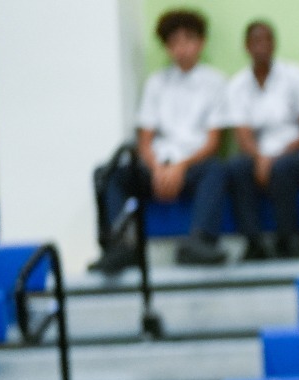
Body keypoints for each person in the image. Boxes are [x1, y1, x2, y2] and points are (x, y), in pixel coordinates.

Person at [92, 8, 230, 272]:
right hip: (157, 165)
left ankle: (200, 242)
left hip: (192, 165)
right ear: (167, 48)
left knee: (215, 169)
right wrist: (156, 168)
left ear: (201, 43)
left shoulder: (215, 82)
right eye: (174, 42)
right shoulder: (156, 82)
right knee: (107, 174)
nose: (181, 49)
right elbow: (145, 138)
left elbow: (213, 142)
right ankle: (121, 247)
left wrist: (179, 167)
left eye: (188, 40)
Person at [224, 20, 299, 262]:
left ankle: (287, 240)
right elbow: (243, 136)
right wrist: (261, 158)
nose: (262, 46)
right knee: (236, 167)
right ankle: (253, 243)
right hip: (259, 154)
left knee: (282, 168)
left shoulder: (295, 75)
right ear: (246, 46)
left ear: (274, 44)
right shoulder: (237, 85)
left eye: (267, 40)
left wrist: (278, 155)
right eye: (256, 41)